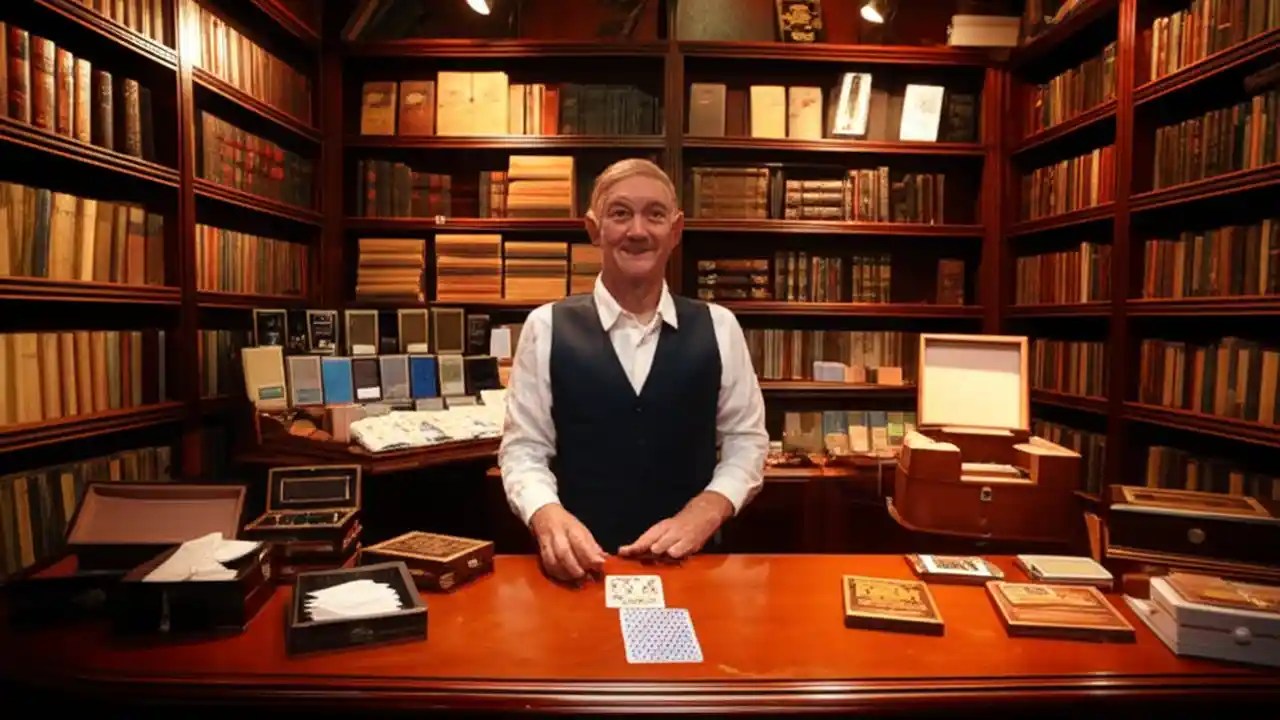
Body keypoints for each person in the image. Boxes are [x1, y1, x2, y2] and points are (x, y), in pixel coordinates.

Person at [499, 158, 769, 582]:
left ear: (676, 231)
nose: (638, 231)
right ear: (594, 229)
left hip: (692, 565)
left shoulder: (720, 327)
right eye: (620, 213)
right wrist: (545, 513)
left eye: (655, 215)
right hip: (581, 570)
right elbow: (523, 449)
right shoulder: (545, 326)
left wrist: (708, 509)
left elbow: (746, 442)